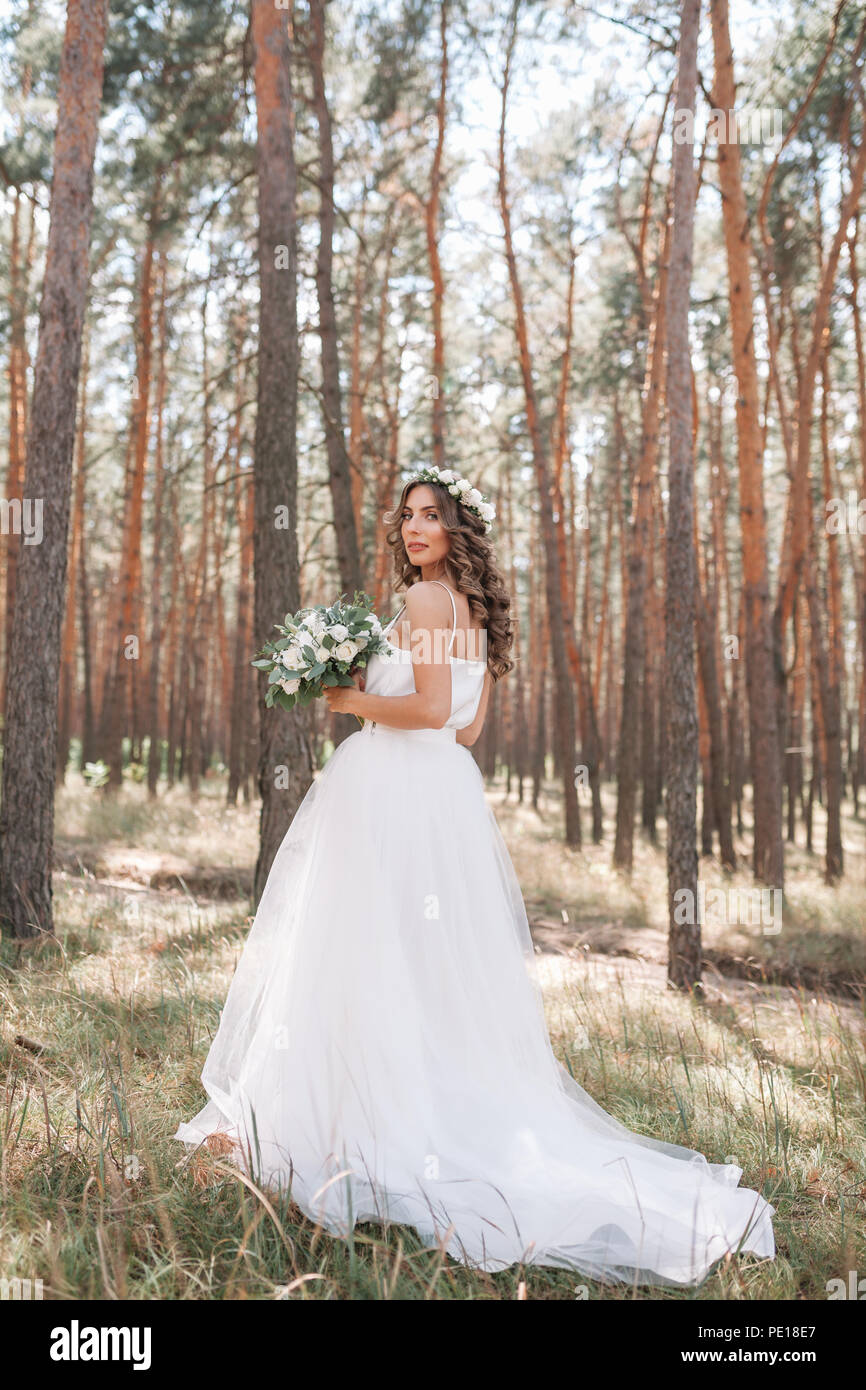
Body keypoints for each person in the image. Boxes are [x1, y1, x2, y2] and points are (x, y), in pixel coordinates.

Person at [174, 464, 776, 1286]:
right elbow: (462, 733)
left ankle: (350, 1127)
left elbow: (424, 712)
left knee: (358, 953)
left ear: (458, 531)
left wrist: (348, 703)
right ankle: (399, 1112)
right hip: (442, 795)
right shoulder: (478, 617)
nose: (414, 527)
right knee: (424, 966)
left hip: (390, 789)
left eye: (432, 516)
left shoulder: (423, 603)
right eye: (408, 515)